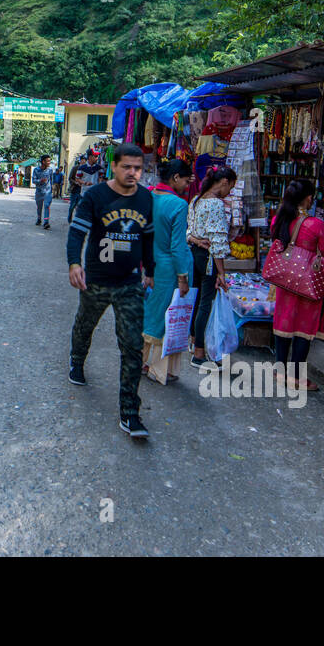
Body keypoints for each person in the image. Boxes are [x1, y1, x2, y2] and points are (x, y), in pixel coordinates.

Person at [66, 143, 156, 439]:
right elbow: (77, 231)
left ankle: (130, 413)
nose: (133, 173)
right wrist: (73, 264)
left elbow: (148, 238)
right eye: (127, 167)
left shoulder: (146, 199)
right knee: (85, 325)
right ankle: (77, 360)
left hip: (130, 284)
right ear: (113, 166)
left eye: (138, 168)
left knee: (132, 345)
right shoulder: (95, 196)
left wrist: (151, 271)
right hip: (97, 281)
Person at [268, 178, 324, 392]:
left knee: (283, 323)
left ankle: (279, 371)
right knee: (304, 328)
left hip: (284, 281)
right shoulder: (316, 225)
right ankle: (296, 377)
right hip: (307, 283)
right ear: (308, 198)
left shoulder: (278, 220)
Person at [141, 160, 195, 383]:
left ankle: (140, 362)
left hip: (149, 265)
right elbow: (177, 246)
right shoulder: (178, 204)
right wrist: (183, 277)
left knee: (149, 315)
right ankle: (159, 369)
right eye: (185, 179)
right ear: (175, 178)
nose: (187, 184)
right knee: (167, 319)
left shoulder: (148, 197)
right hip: (168, 269)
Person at [186, 166, 236, 370]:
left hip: (195, 254)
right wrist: (222, 273)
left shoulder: (197, 200)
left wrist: (196, 240)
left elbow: (189, 230)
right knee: (205, 302)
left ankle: (192, 341)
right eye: (230, 187)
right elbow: (218, 241)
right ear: (224, 182)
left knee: (197, 299)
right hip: (208, 258)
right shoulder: (216, 204)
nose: (229, 192)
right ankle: (199, 353)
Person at [69, 148, 104, 224]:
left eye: (97, 156)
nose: (97, 158)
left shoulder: (99, 168)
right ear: (90, 157)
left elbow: (101, 177)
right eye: (95, 156)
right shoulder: (81, 168)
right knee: (81, 210)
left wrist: (99, 183)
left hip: (95, 194)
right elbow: (77, 178)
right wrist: (85, 183)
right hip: (84, 193)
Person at [31, 154, 54, 229]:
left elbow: (51, 180)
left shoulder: (50, 170)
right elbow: (33, 180)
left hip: (48, 191)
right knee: (39, 207)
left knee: (47, 206)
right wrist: (40, 180)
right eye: (48, 161)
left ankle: (46, 222)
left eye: (49, 161)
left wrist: (52, 189)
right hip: (39, 191)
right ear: (43, 162)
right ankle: (39, 219)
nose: (49, 162)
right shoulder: (36, 170)